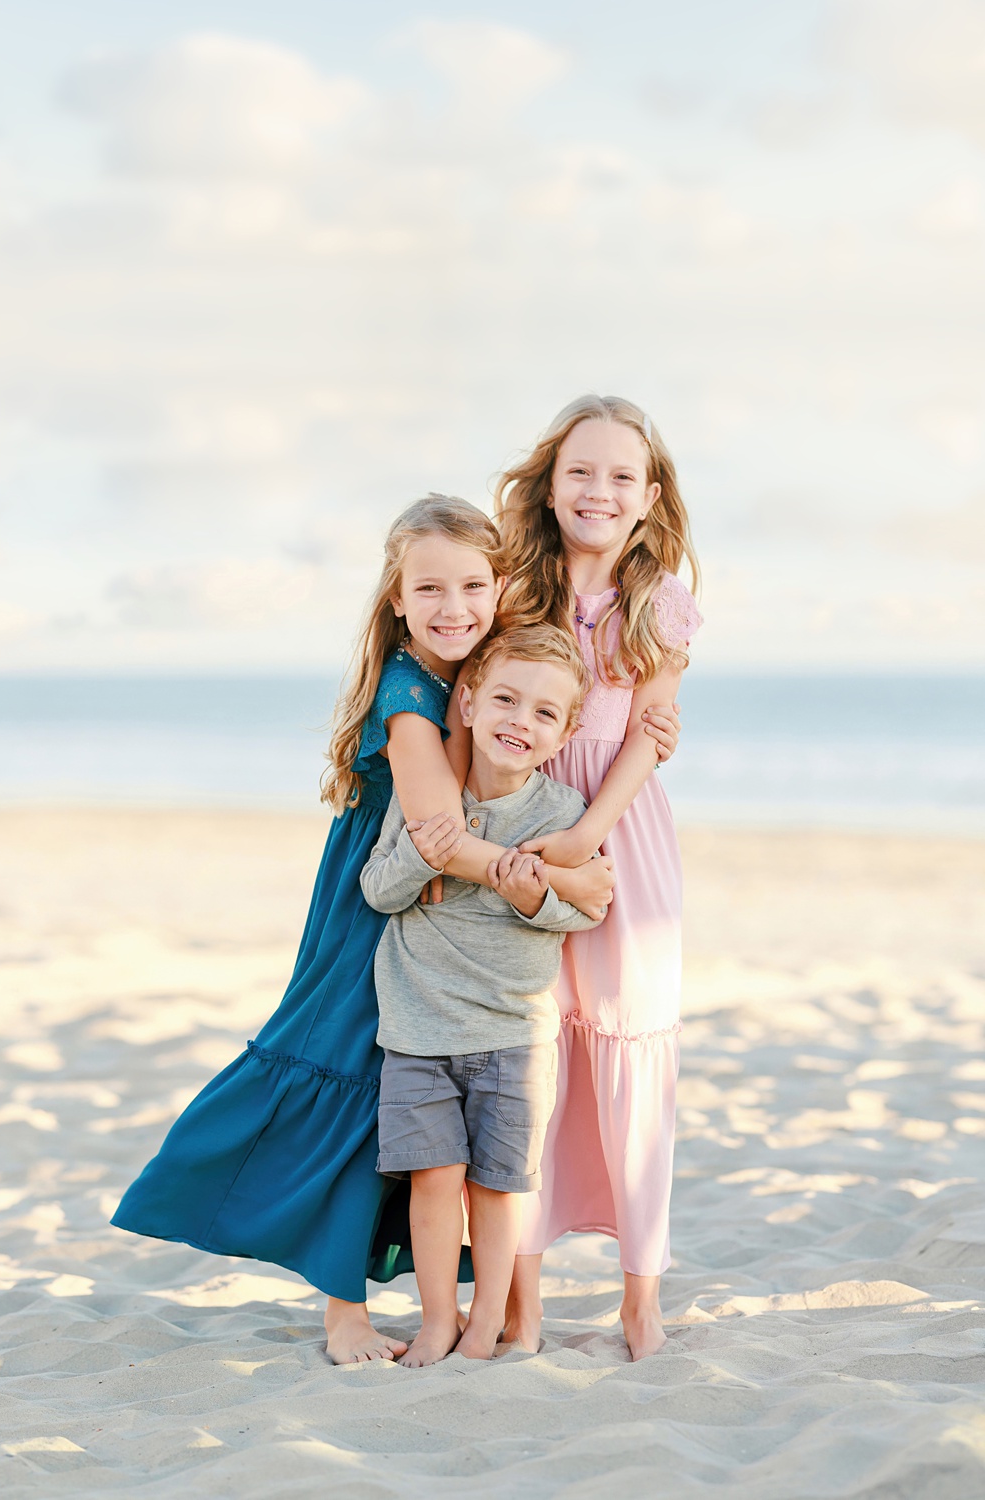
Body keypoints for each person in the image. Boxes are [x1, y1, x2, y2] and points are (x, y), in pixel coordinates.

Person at [111, 494, 616, 1365]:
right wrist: (545, 870)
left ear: (500, 587)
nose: (453, 606)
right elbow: (440, 834)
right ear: (396, 597)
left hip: (444, 925)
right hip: (374, 904)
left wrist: (580, 848)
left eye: (470, 585)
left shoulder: (483, 669)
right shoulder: (411, 694)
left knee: (398, 1094)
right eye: (430, 588)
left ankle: (479, 1309)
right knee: (348, 1070)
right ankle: (343, 1310)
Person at [492, 394, 703, 1361]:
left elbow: (648, 740)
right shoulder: (510, 587)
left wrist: (586, 839)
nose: (599, 491)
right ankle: (522, 1304)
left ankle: (639, 1302)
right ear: (550, 480)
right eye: (582, 470)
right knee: (526, 1064)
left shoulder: (661, 606)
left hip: (621, 841)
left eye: (622, 475)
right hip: (523, 837)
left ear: (649, 495)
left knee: (632, 1054)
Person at [360, 624, 600, 1366]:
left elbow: (587, 906)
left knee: (498, 1187)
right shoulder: (429, 802)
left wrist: (535, 898)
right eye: (504, 699)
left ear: (565, 732)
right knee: (434, 1183)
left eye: (542, 713)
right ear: (466, 702)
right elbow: (377, 890)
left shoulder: (561, 816)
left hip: (513, 1039)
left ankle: (488, 1319)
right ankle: (438, 1319)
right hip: (419, 1033)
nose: (518, 722)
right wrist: (421, 852)